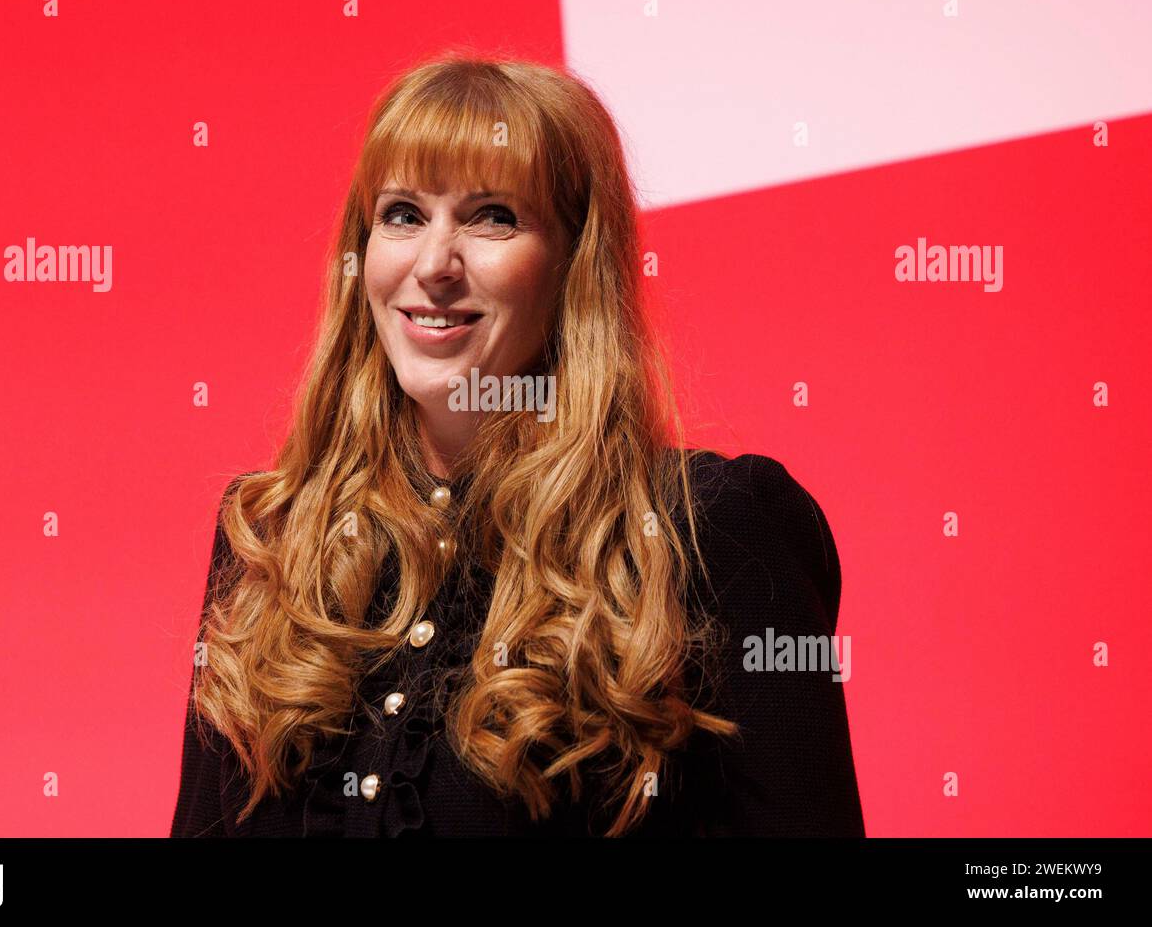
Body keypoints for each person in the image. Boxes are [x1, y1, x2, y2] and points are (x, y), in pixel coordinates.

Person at [170, 53, 865, 838]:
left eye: (492, 215)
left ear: (572, 262)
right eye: (403, 213)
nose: (433, 264)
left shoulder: (709, 531)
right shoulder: (271, 535)